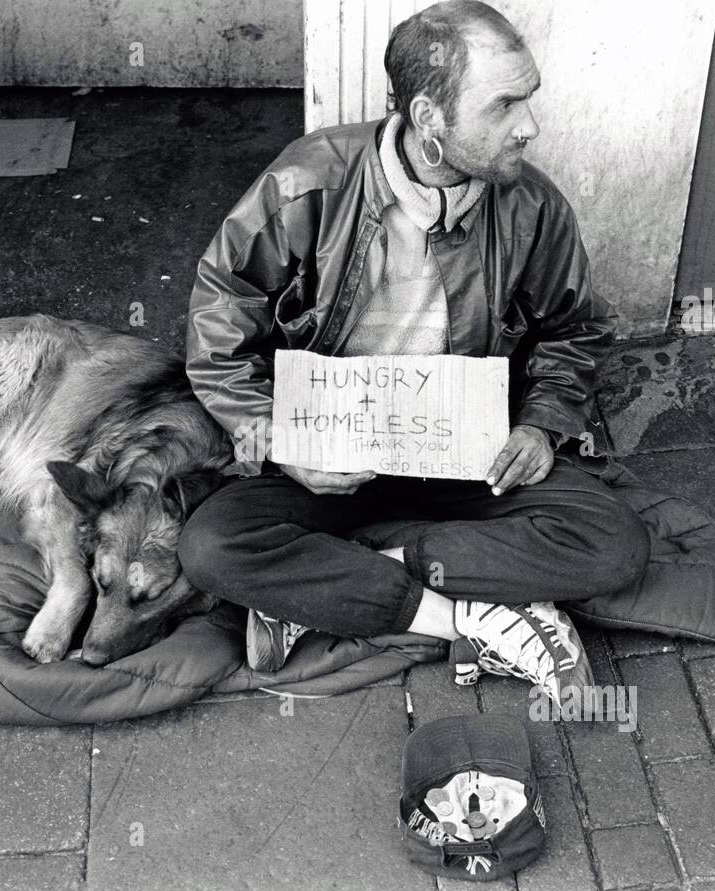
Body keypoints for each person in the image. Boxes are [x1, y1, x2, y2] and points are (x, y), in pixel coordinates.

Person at [178, 0, 649, 697]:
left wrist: (542, 424)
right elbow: (220, 323)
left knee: (615, 542)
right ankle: (459, 613)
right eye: (506, 106)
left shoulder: (531, 208)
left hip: (466, 456)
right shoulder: (305, 185)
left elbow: (573, 329)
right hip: (332, 455)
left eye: (530, 99)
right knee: (210, 545)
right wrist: (281, 439)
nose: (531, 126)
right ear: (430, 119)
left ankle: (342, 576)